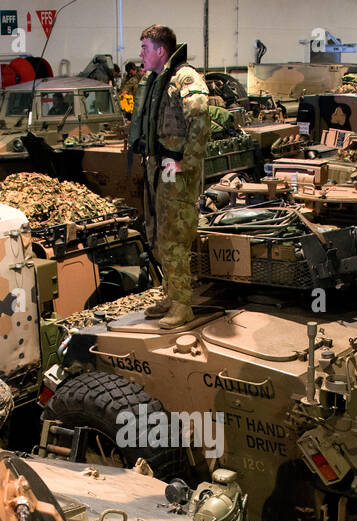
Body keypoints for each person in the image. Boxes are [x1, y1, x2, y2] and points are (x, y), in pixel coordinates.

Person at [128, 23, 209, 330]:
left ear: (160, 50)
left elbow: (201, 121)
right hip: (159, 169)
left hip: (175, 172)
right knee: (157, 235)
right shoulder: (158, 80)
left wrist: (185, 163)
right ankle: (170, 295)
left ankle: (182, 305)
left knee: (175, 237)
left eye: (145, 48)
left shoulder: (184, 78)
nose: (140, 54)